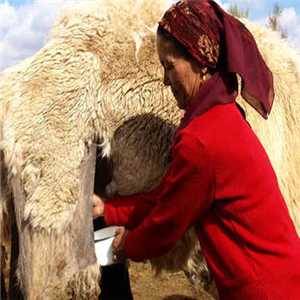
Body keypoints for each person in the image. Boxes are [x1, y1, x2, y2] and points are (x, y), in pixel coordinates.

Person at [93, 1, 300, 299]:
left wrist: (126, 246)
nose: (165, 80)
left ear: (200, 61)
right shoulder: (225, 115)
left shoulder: (202, 140)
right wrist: (108, 209)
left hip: (263, 291)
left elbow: (166, 226)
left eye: (169, 66)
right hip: (284, 278)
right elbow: (170, 195)